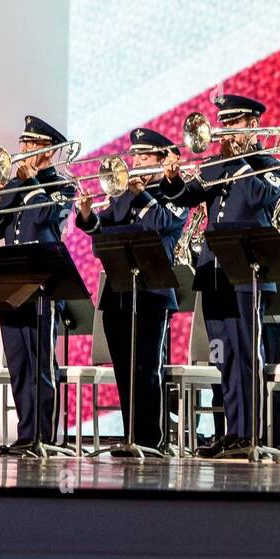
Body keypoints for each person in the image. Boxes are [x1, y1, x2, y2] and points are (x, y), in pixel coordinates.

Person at [162, 96, 280, 458]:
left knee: (249, 355)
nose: (225, 132)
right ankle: (233, 430)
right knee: (225, 356)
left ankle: (253, 433)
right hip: (214, 272)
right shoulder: (216, 164)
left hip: (250, 271)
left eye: (233, 124)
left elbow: (262, 197)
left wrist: (240, 160)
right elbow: (188, 196)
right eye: (224, 124)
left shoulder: (269, 165)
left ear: (251, 125)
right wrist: (172, 180)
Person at [76, 127, 187, 452]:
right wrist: (85, 215)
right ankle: (129, 437)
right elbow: (101, 227)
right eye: (135, 155)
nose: (135, 162)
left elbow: (164, 225)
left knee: (147, 370)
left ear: (161, 159)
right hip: (118, 292)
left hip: (153, 293)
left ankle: (150, 440)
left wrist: (143, 195)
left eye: (144, 156)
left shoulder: (172, 194)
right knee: (124, 370)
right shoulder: (121, 196)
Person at [0, 115, 77, 448]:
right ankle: (25, 437)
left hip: (44, 286)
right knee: (20, 364)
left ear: (48, 150)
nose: (22, 149)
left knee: (41, 364)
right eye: (23, 143)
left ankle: (45, 437)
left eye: (31, 144)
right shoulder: (13, 185)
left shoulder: (63, 187)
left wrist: (33, 183)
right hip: (11, 285)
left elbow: (44, 217)